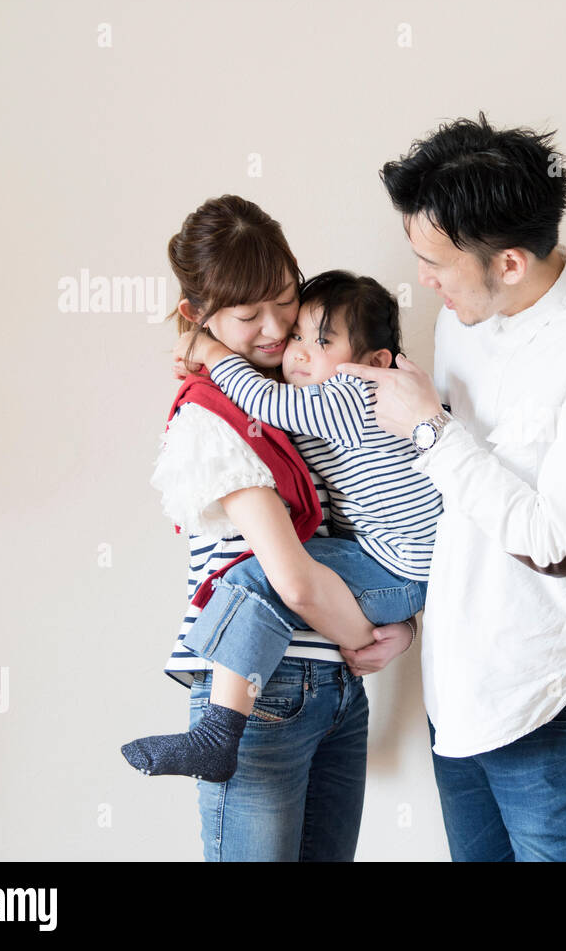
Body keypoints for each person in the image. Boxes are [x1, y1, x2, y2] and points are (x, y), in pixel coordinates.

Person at [337, 113, 566, 861]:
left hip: (546, 693)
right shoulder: (464, 324)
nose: (422, 279)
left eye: (435, 261)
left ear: (511, 262)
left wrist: (429, 430)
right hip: (453, 690)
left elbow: (554, 539)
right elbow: (463, 506)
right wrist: (414, 612)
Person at [136, 194, 415, 860]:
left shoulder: (304, 407)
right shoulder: (213, 416)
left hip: (336, 693)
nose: (272, 327)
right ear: (197, 317)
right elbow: (292, 580)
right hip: (262, 695)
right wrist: (371, 637)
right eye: (246, 313)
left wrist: (402, 621)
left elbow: (361, 538)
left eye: (284, 300)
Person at [122, 270, 440, 782]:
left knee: (250, 578)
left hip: (390, 573)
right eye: (298, 336)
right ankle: (217, 731)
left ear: (375, 364)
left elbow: (269, 404)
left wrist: (212, 353)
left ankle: (215, 736)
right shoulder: (235, 410)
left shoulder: (351, 396)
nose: (296, 350)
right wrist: (394, 630)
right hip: (378, 589)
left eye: (321, 341)